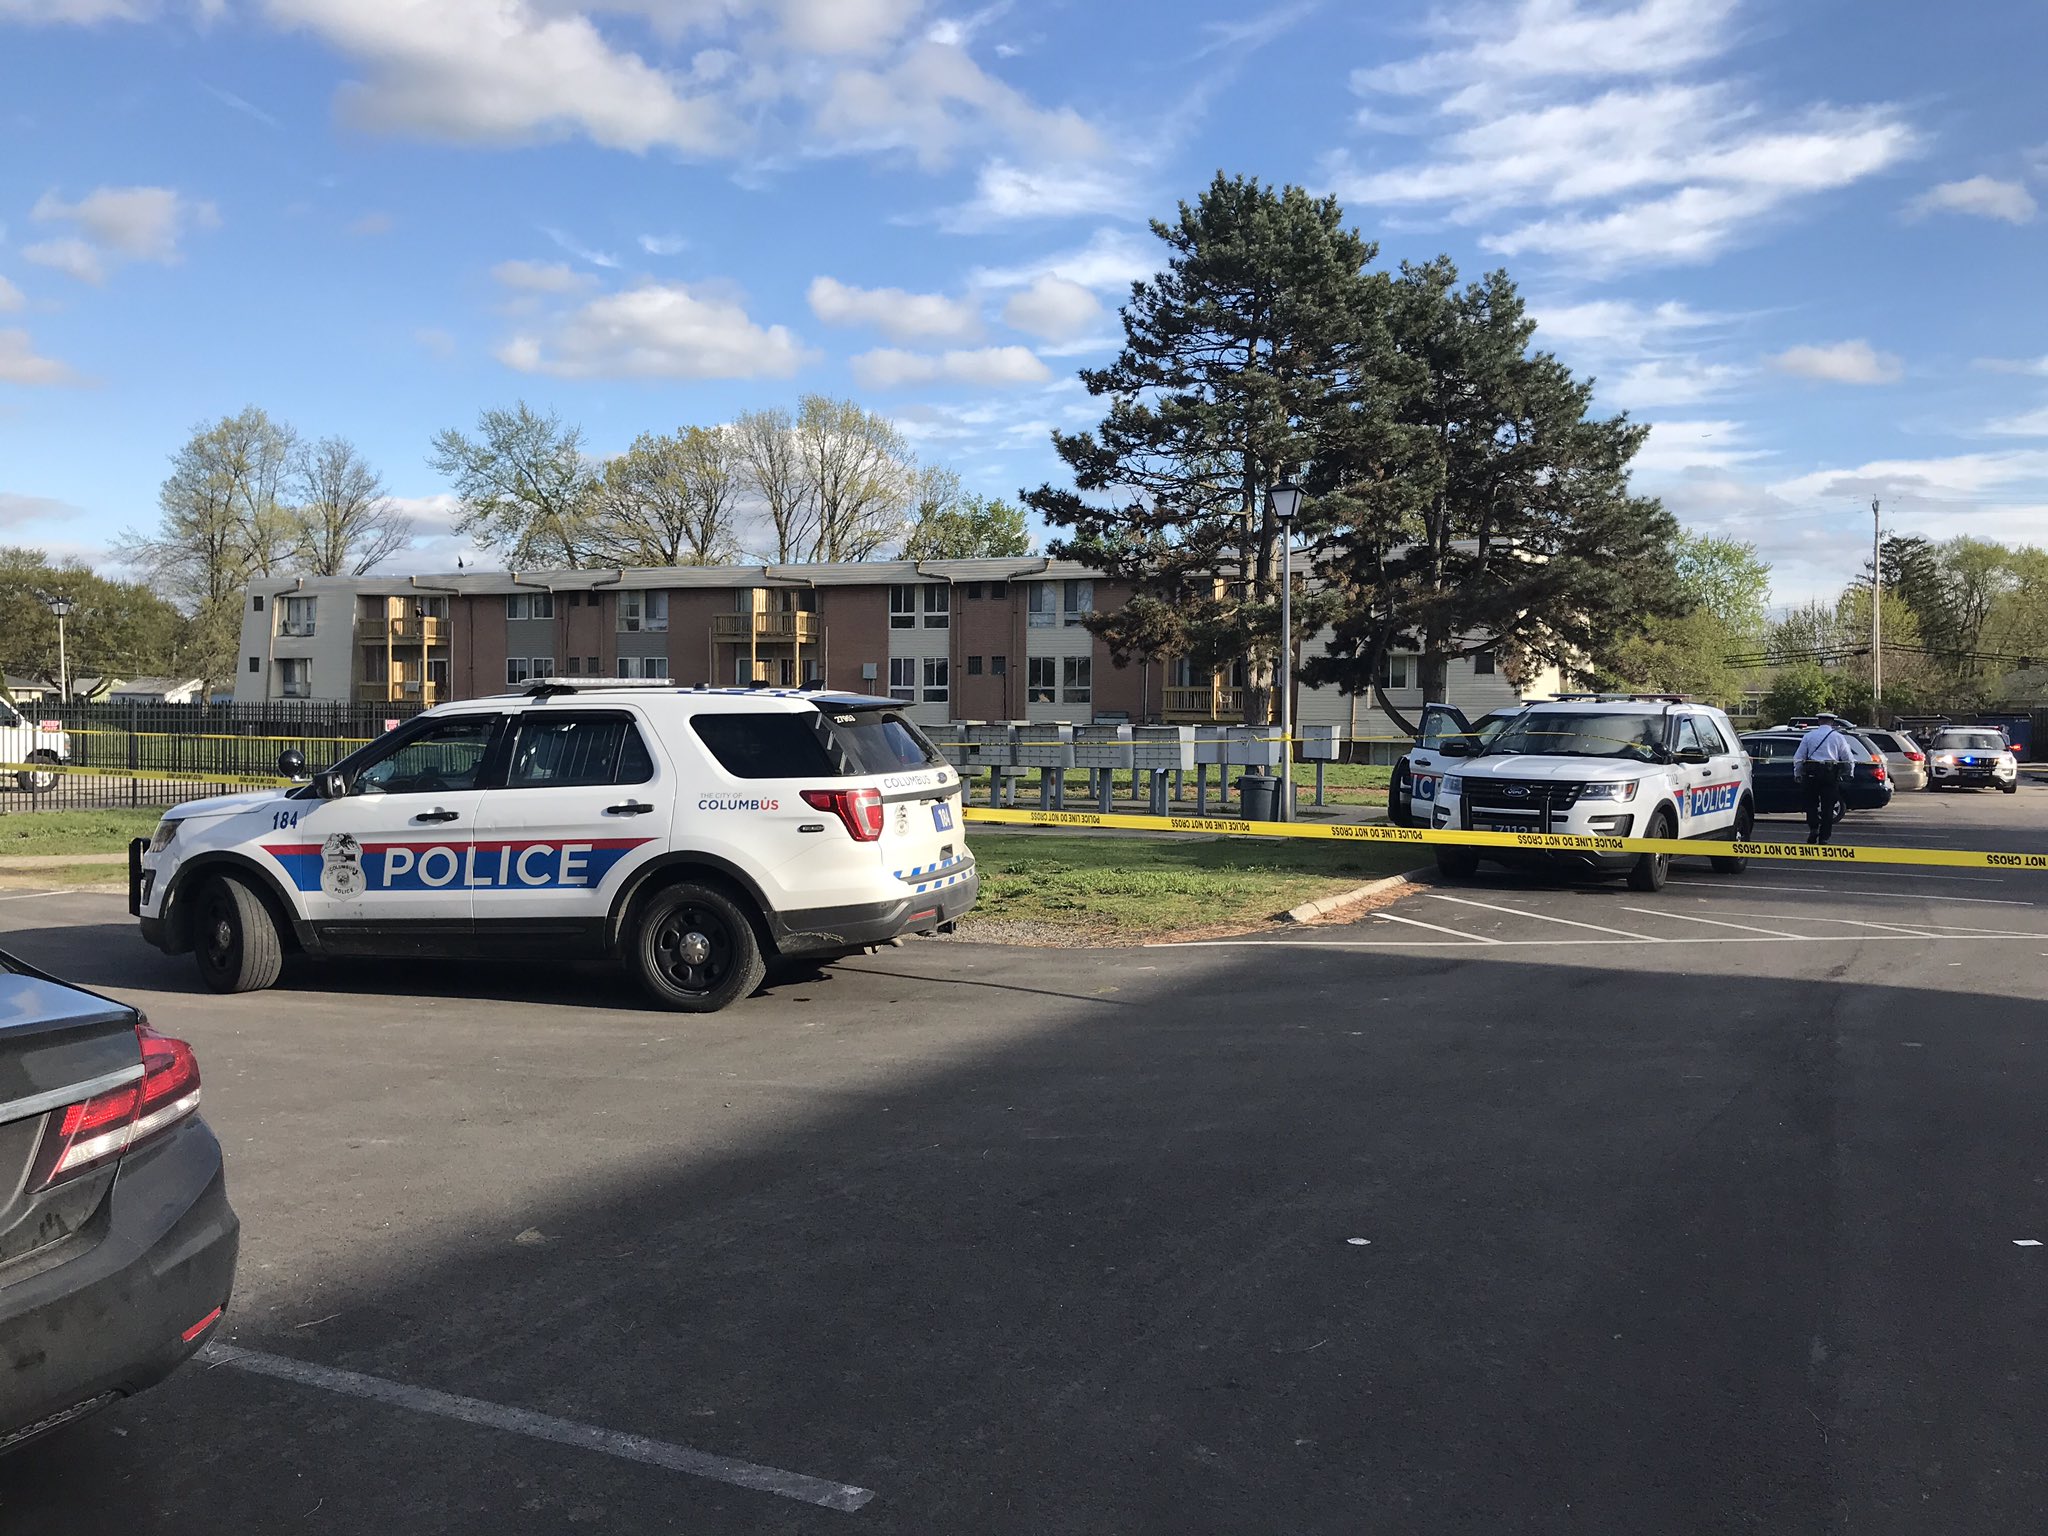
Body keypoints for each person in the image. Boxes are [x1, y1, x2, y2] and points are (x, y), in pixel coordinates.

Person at [1792, 715, 1860, 844]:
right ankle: (1824, 837)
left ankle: (1813, 828)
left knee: (1811, 804)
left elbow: (1799, 757)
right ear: (1832, 722)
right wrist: (1849, 772)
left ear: (1819, 721)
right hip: (1830, 774)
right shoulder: (1838, 737)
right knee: (1828, 806)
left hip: (1812, 773)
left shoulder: (1809, 736)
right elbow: (1847, 757)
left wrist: (1797, 773)